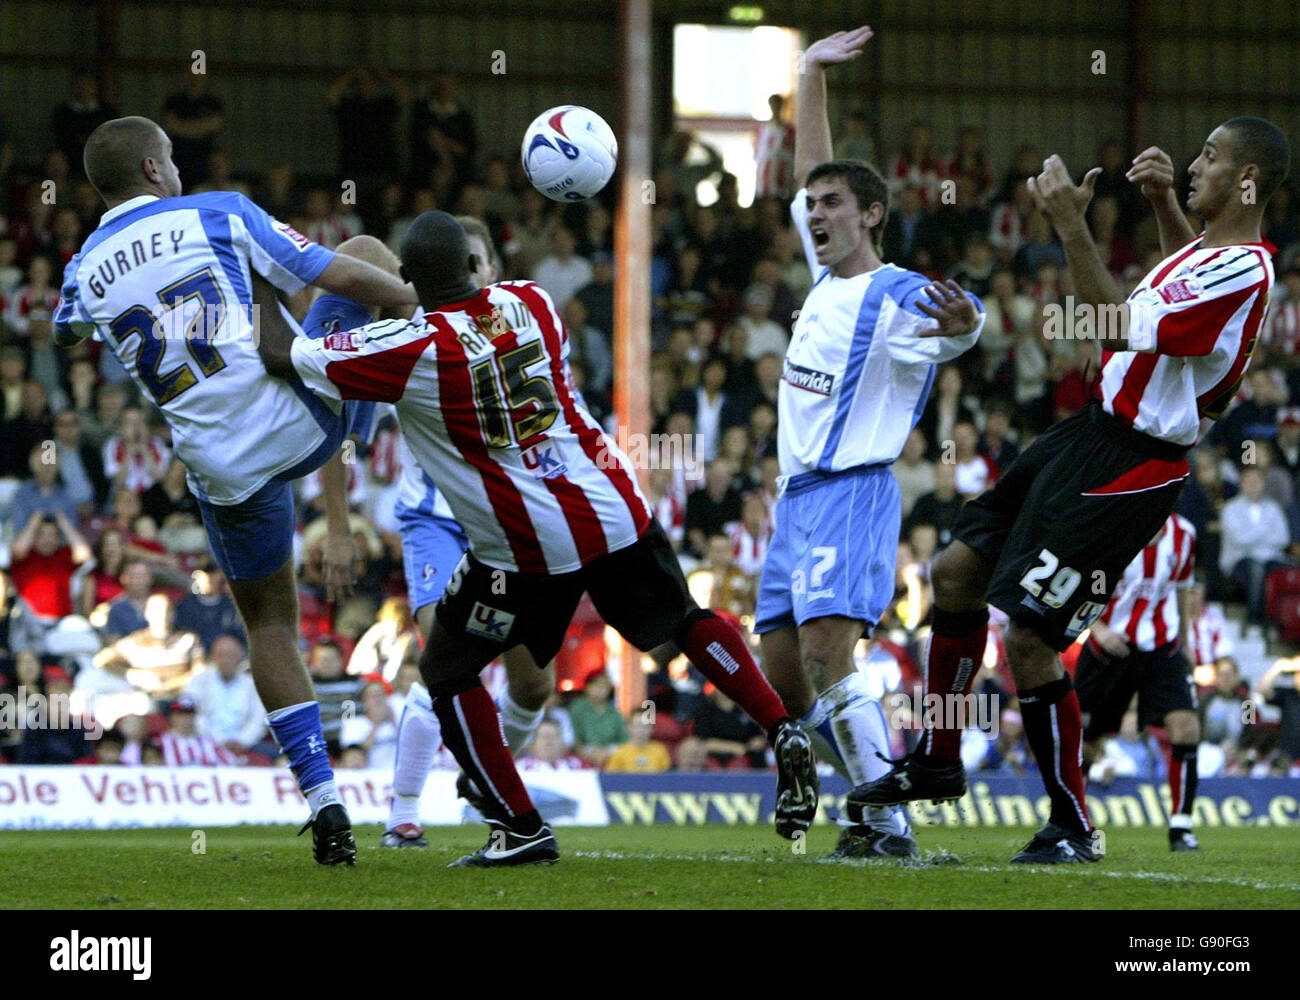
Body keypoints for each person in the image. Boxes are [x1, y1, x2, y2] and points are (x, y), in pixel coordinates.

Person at [256, 209, 819, 867]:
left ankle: (517, 825)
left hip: (525, 548)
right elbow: (470, 318)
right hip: (612, 508)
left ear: (409, 279)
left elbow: (283, 354)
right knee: (685, 621)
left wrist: (257, 279)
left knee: (447, 667)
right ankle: (781, 727)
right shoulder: (533, 301)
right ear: (475, 267)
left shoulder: (411, 349)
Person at [852, 115, 1290, 864]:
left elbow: (1116, 323)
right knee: (954, 571)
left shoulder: (1247, 265)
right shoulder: (1209, 254)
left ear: (1248, 181)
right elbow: (1181, 283)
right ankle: (937, 759)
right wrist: (1161, 204)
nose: (1196, 163)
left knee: (1030, 639)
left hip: (1136, 464)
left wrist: (1068, 224)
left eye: (1212, 157)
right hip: (1088, 434)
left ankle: (1073, 826)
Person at [53, 115, 418, 865]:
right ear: (155, 171)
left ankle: (323, 799)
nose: (178, 169)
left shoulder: (84, 264)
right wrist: (413, 302)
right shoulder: (214, 209)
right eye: (172, 159)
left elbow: (63, 332)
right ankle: (369, 413)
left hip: (221, 468)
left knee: (272, 627)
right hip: (305, 425)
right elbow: (339, 276)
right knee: (365, 252)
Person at [755, 26, 983, 861]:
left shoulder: (894, 292)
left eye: (832, 206)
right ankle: (863, 789)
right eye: (810, 206)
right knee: (782, 674)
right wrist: (809, 73)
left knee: (826, 651)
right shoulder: (823, 278)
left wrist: (966, 326)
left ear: (873, 216)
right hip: (794, 499)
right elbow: (815, 161)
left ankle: (888, 823)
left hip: (852, 489)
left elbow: (957, 320)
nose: (815, 215)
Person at [282, 221, 558, 850]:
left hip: (513, 525)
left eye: (481, 262)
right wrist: (341, 522)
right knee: (447, 658)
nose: (471, 274)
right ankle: (404, 813)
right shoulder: (412, 332)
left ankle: (485, 789)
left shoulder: (519, 318)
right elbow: (331, 407)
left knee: (533, 684)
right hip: (436, 521)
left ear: (490, 268)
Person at [1075, 514, 1203, 851]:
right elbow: (1081, 586)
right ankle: (1071, 821)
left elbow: (1181, 591)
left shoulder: (1184, 534)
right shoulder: (1114, 526)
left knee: (1187, 726)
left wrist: (1186, 646)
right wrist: (1099, 630)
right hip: (1109, 650)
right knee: (1088, 740)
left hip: (1162, 648)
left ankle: (1181, 828)